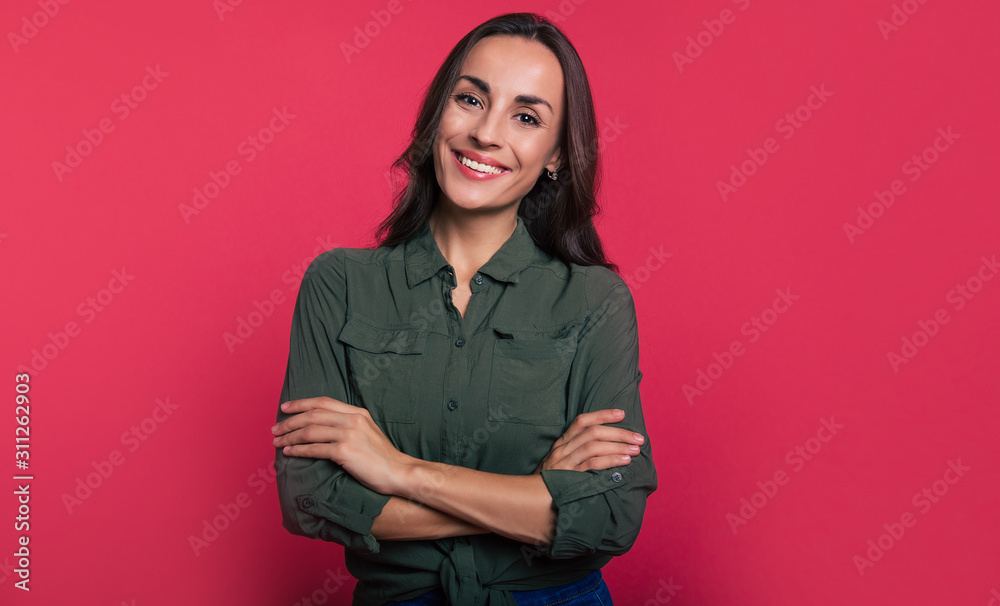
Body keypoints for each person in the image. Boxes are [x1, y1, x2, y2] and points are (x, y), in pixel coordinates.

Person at [271, 12, 656, 606]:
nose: (486, 134)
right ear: (437, 116)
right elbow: (310, 498)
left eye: (526, 117)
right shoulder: (339, 283)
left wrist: (399, 471)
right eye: (471, 99)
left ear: (556, 155)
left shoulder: (596, 301)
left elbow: (610, 514)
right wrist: (537, 495)